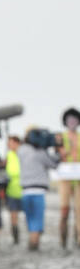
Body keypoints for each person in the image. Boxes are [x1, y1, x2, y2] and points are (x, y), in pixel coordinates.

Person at [17, 127, 60, 250]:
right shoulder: (41, 152)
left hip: (25, 192)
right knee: (37, 222)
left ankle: (31, 245)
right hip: (38, 192)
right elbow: (53, 164)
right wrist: (56, 151)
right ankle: (33, 247)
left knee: (30, 222)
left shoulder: (22, 150)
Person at [57, 107, 80, 249]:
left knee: (79, 210)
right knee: (64, 209)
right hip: (65, 177)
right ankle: (63, 241)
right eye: (69, 120)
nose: (72, 122)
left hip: (78, 177)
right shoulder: (61, 137)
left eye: (75, 120)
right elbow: (59, 154)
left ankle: (78, 239)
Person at [4, 134, 23, 244]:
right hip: (11, 189)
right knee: (13, 216)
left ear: (17, 143)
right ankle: (16, 237)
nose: (9, 145)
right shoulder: (9, 155)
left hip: (24, 189)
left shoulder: (23, 154)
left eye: (10, 143)